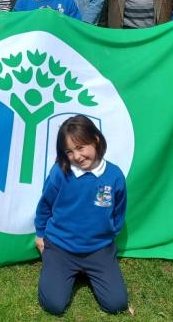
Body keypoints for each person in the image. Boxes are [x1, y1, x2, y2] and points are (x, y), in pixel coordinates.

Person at [34, 115, 128, 315]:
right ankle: (57, 265)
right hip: (61, 247)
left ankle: (90, 270)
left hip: (98, 249)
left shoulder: (114, 175)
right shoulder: (60, 172)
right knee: (53, 304)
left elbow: (119, 210)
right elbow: (45, 204)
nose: (76, 156)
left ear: (96, 140)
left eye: (81, 147)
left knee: (116, 304)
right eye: (69, 151)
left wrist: (110, 232)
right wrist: (40, 233)